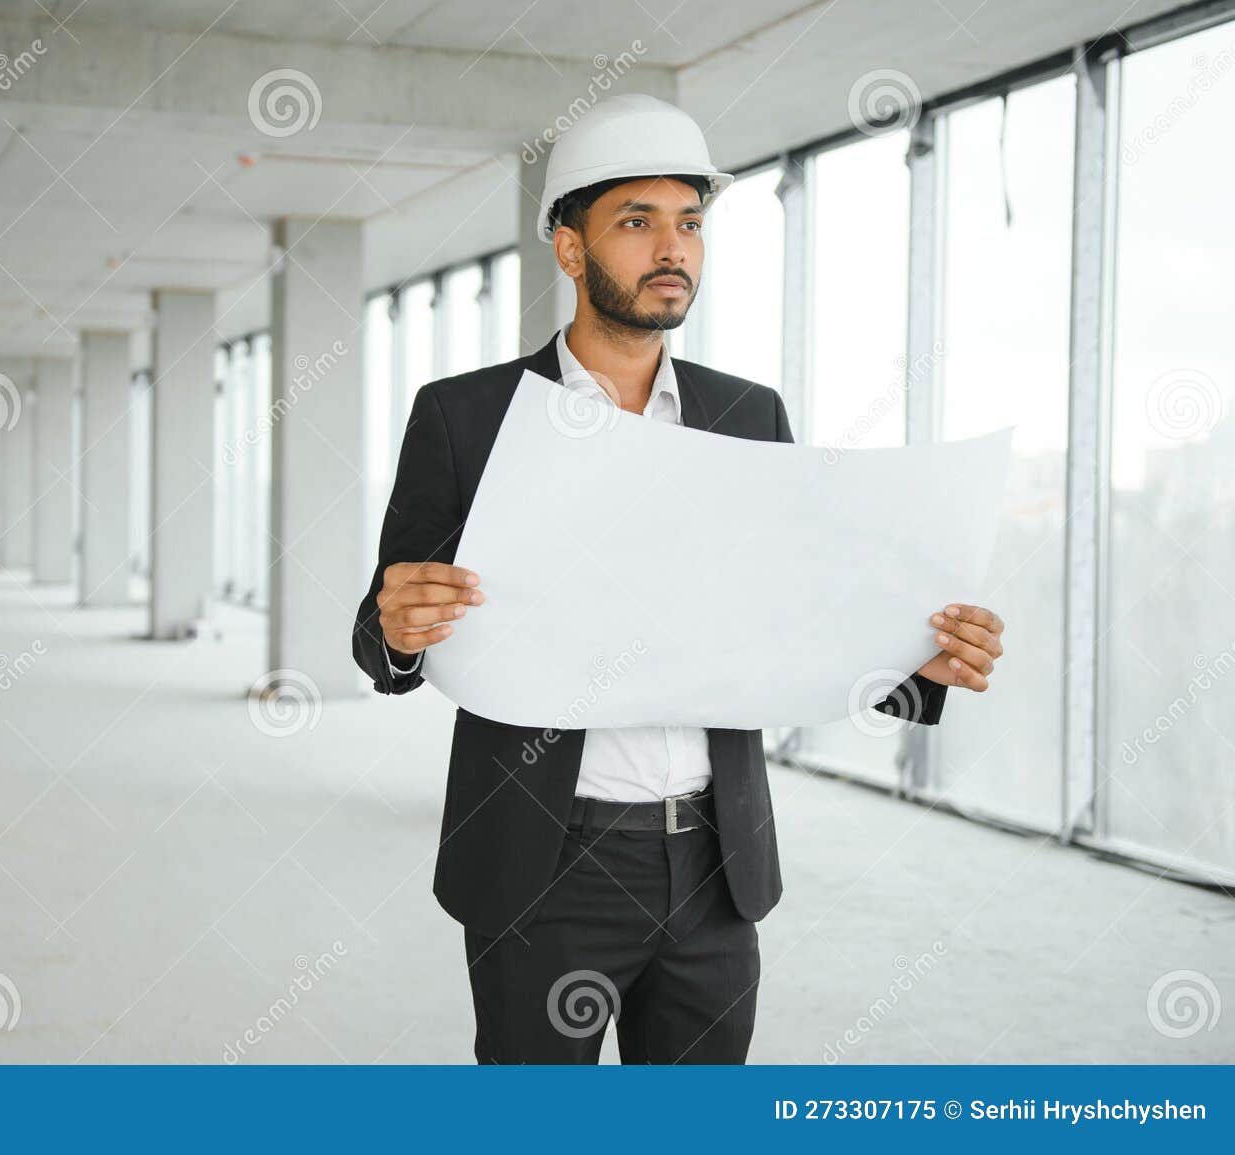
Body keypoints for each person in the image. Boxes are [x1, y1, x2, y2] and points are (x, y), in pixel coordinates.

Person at [350, 94, 1007, 1064]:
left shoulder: (746, 415)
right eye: (636, 221)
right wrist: (398, 631)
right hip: (544, 861)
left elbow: (793, 619)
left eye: (690, 223)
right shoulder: (466, 416)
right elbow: (379, 632)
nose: (672, 248)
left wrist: (915, 667)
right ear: (569, 249)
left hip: (712, 865)